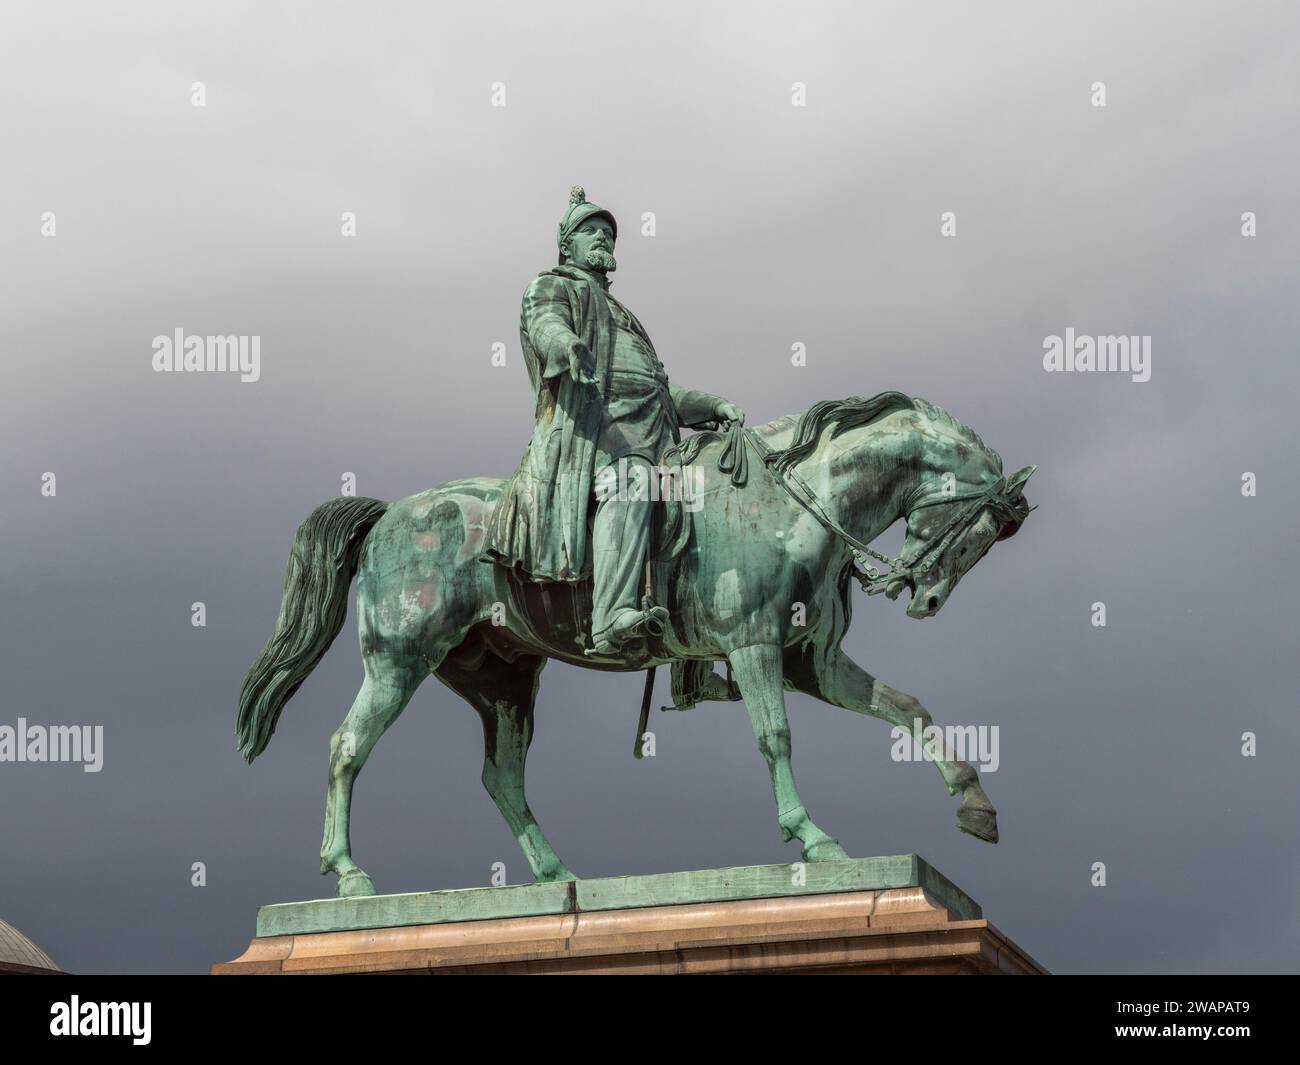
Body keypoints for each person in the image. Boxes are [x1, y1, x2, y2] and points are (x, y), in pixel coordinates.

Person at [483, 186, 744, 654]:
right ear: (568, 244)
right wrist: (566, 346)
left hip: (654, 438)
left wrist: (711, 405)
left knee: (704, 507)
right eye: (591, 231)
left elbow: (662, 392)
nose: (603, 238)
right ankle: (611, 617)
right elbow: (544, 326)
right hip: (592, 442)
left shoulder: (625, 316)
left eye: (608, 232)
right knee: (633, 482)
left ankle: (695, 661)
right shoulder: (552, 286)